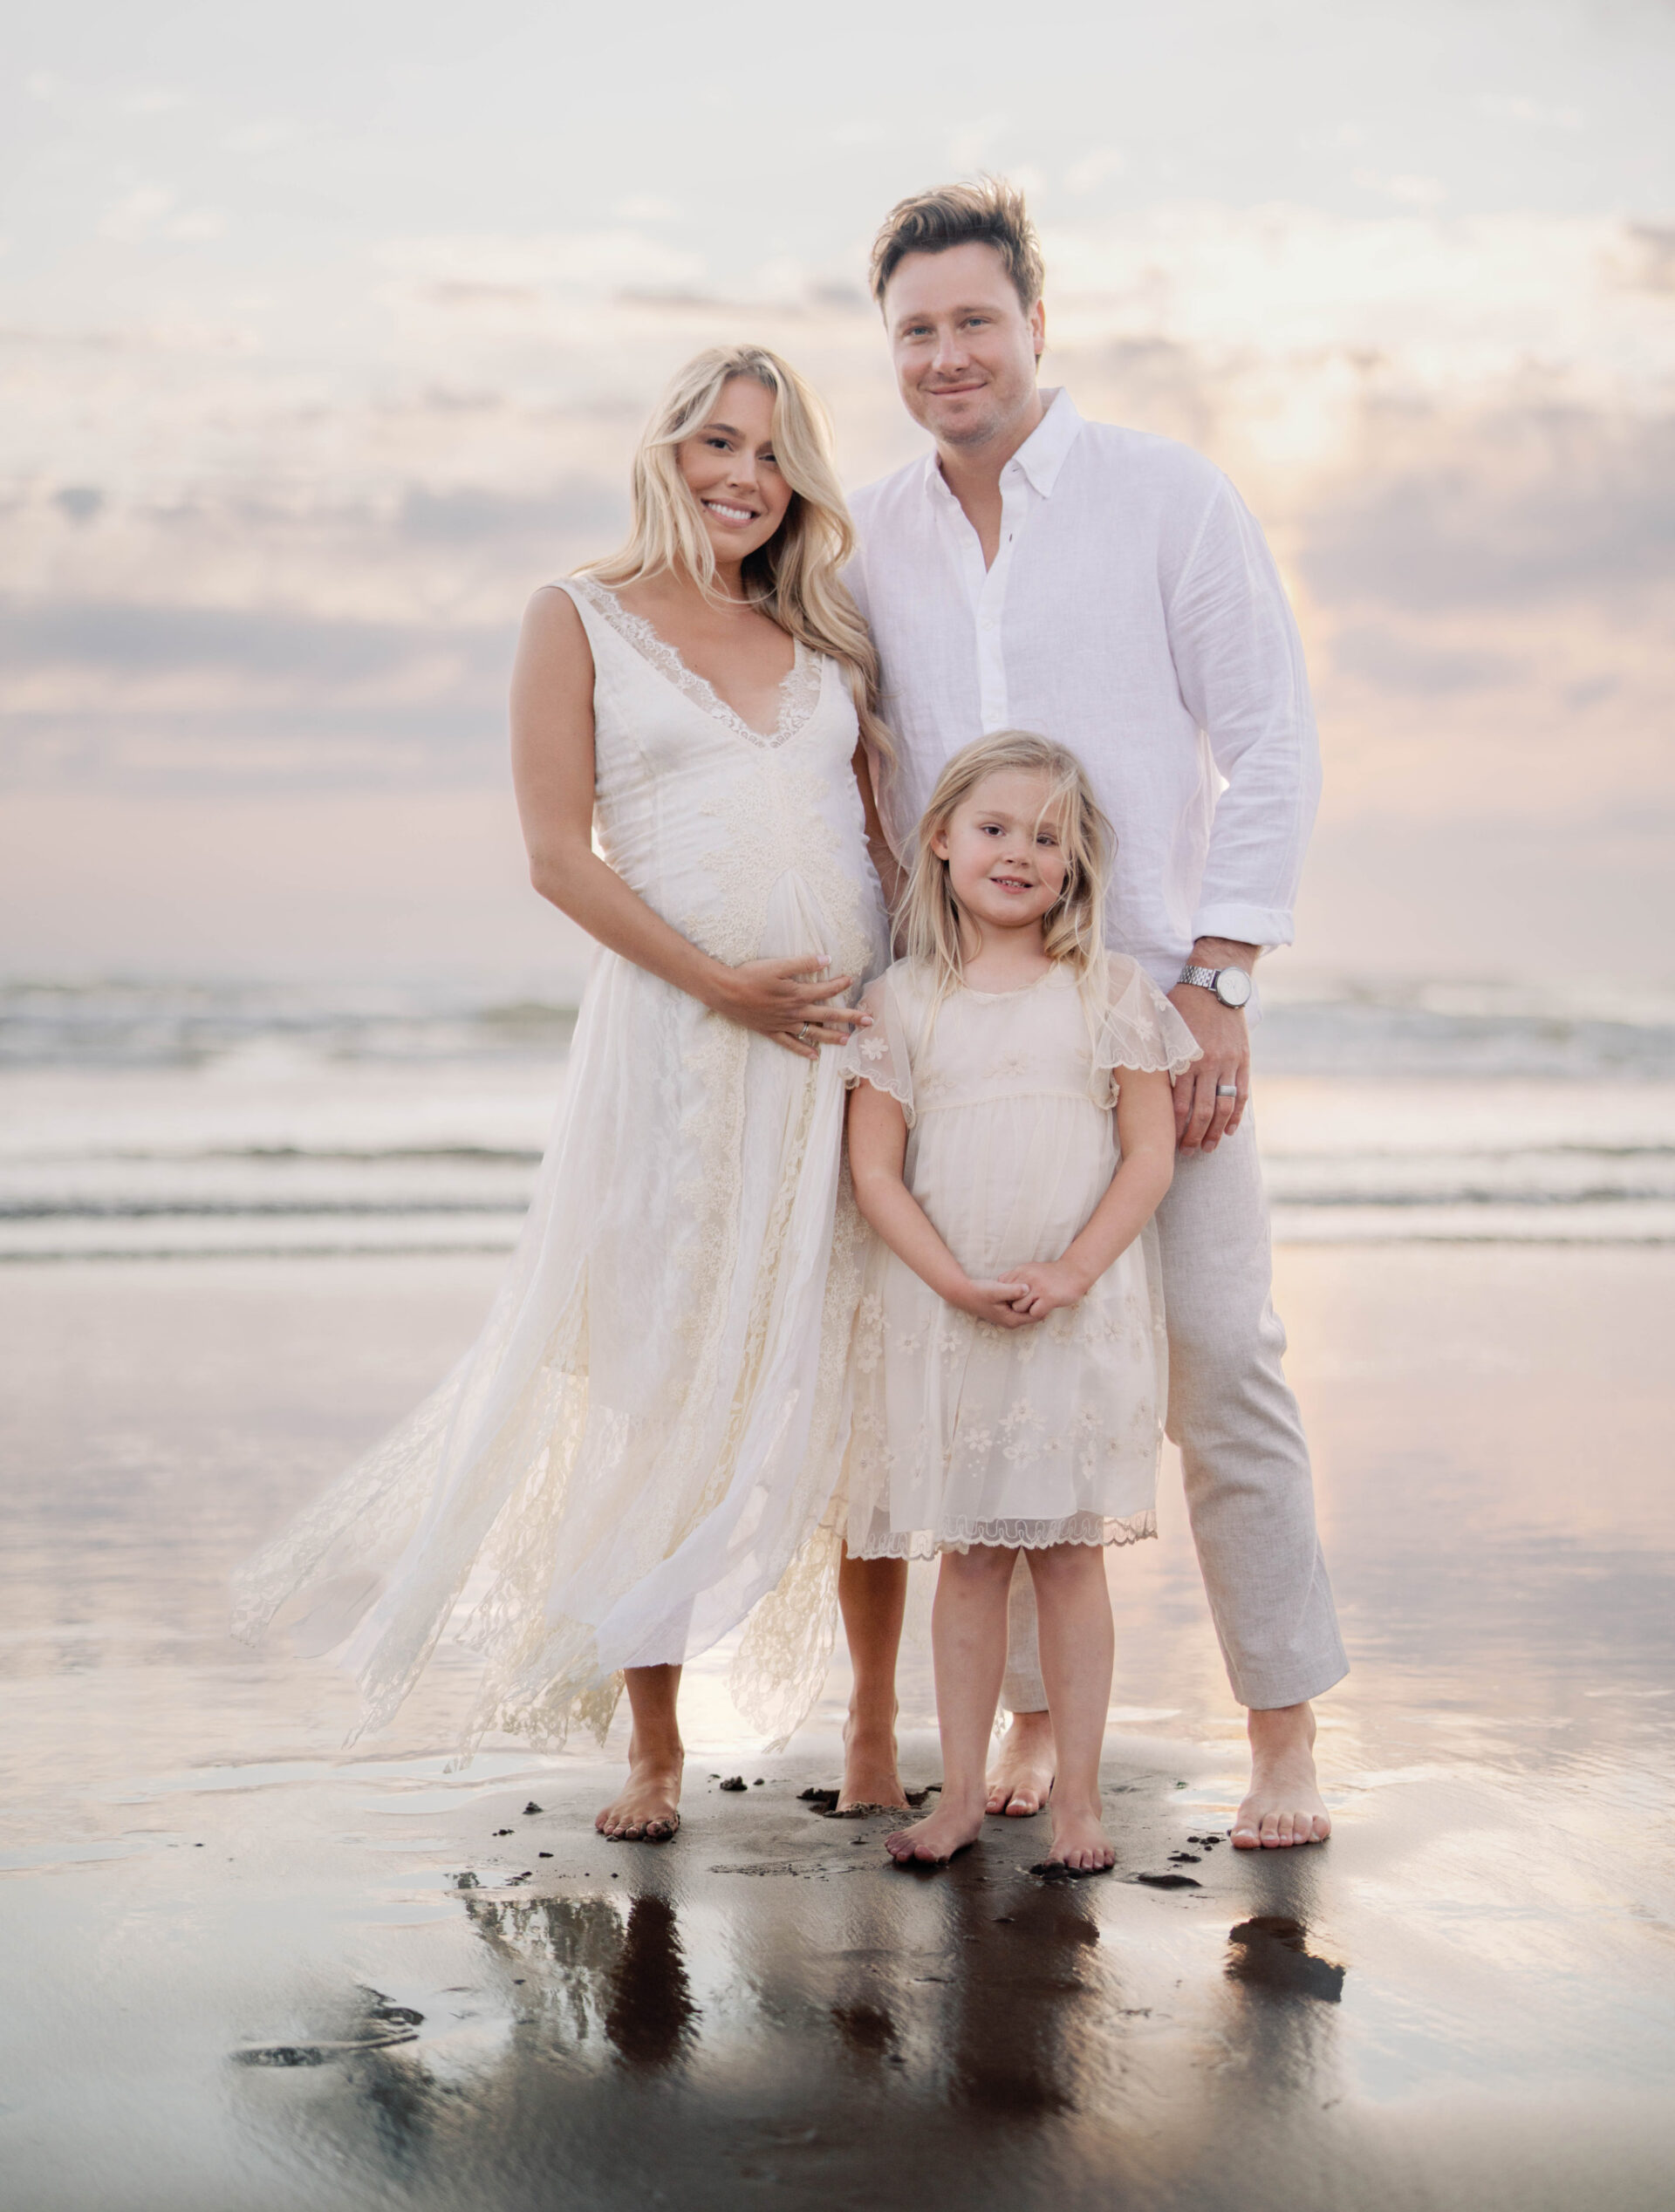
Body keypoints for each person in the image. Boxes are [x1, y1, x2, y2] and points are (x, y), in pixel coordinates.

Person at [234, 345, 894, 1842]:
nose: (741, 477)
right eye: (717, 442)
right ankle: (652, 1746)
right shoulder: (577, 615)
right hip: (678, 1058)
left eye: (773, 457)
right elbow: (556, 856)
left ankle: (868, 1718)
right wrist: (721, 987)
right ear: (664, 450)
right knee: (661, 1388)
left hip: (840, 1060)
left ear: (802, 486)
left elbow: (874, 838)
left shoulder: (828, 638)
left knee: (849, 1381)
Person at [838, 180, 1348, 1850]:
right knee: (1002, 1378)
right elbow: (867, 784)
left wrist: (1219, 980)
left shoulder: (1165, 500)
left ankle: (1283, 1736)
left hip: (1146, 1028)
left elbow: (1268, 736)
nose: (947, 354)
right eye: (915, 330)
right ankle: (1039, 1735)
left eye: (975, 320)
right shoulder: (872, 539)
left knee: (1219, 1356)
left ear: (1037, 324)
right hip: (968, 1046)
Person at [839, 732, 1198, 1871]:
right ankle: (954, 1798)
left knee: (1071, 1559)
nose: (1020, 852)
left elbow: (1148, 1157)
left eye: (1048, 837)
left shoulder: (1110, 992)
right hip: (952, 1323)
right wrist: (949, 1280)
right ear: (939, 838)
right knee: (974, 1562)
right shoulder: (902, 1002)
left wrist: (1075, 1271)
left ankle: (1081, 1801)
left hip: (1076, 1322)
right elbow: (876, 1171)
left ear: (1076, 863)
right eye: (995, 828)